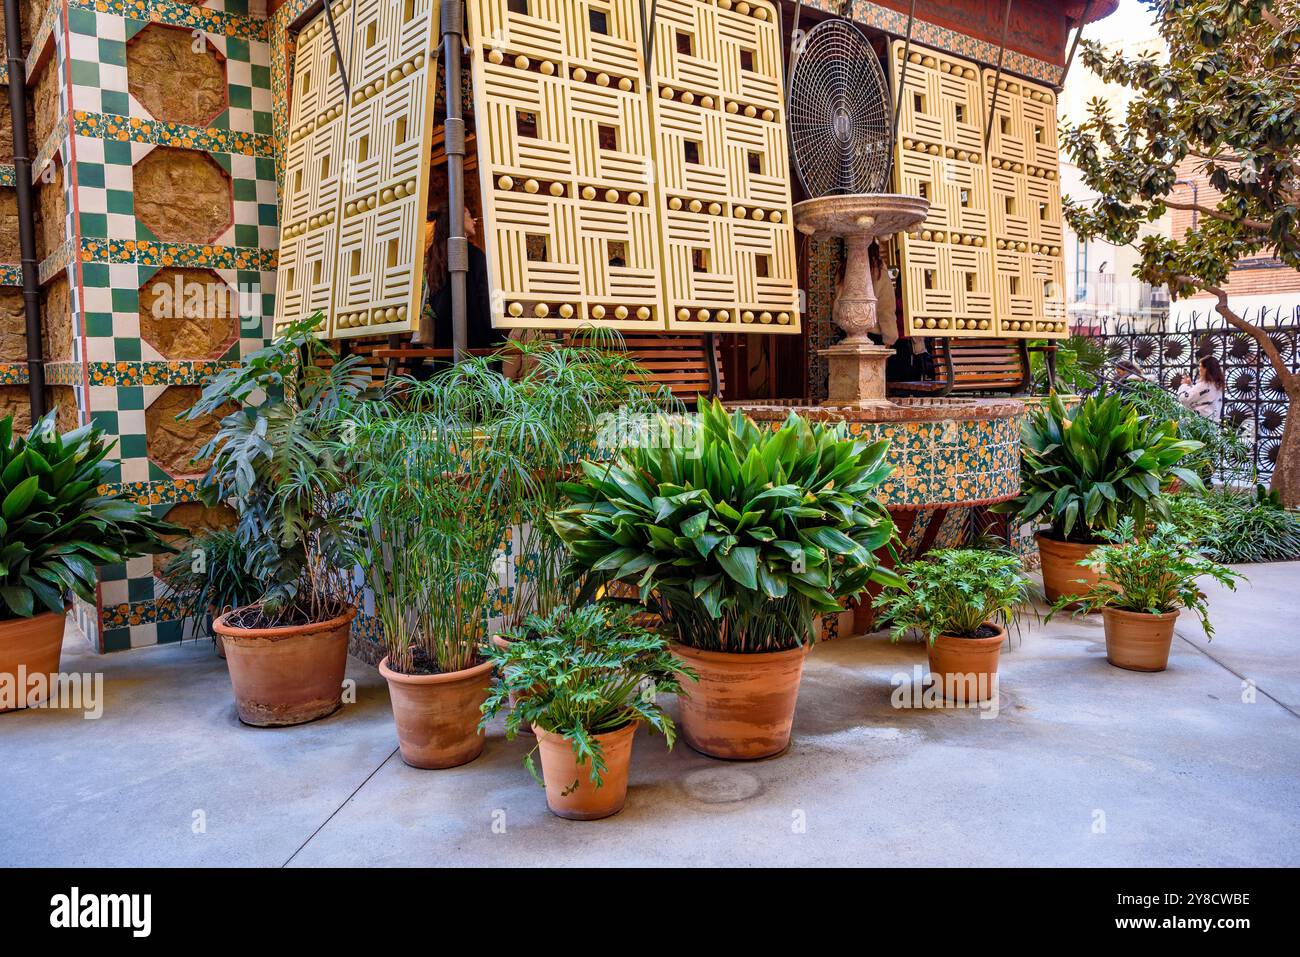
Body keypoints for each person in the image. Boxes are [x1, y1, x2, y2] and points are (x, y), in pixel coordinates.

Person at [413, 202, 500, 376]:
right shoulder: (474, 255)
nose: (474, 221)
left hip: (444, 341)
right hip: (476, 341)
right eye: (469, 216)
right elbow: (487, 298)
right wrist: (497, 337)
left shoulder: (435, 257)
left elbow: (437, 302)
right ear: (457, 220)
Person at [1176, 355, 1225, 419]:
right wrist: (1191, 386)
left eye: (1200, 366)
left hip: (1201, 423)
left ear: (1206, 369)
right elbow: (1201, 396)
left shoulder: (1204, 385)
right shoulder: (1217, 385)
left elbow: (1183, 399)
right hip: (1211, 423)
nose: (1199, 369)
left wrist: (1185, 385)